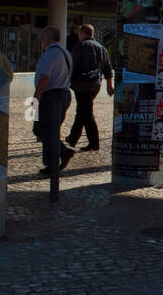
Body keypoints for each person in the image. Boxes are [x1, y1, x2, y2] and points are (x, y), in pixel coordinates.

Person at [32, 26, 75, 199]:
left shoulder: (51, 53)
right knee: (50, 130)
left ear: (48, 38)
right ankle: (51, 164)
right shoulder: (65, 52)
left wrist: (36, 96)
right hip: (62, 94)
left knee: (41, 129)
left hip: (51, 96)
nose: (41, 40)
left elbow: (45, 77)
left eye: (43, 37)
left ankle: (63, 152)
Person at [66, 23, 115, 152]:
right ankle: (72, 138)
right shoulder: (101, 48)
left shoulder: (80, 47)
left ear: (83, 33)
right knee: (83, 110)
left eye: (79, 33)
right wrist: (109, 86)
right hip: (95, 85)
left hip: (82, 84)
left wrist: (66, 81)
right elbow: (108, 69)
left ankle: (93, 142)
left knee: (86, 113)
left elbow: (72, 66)